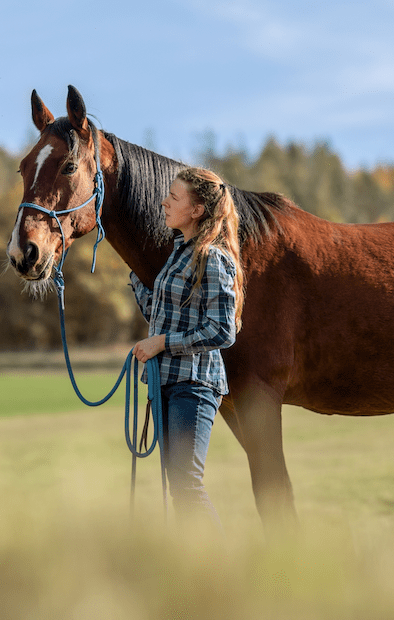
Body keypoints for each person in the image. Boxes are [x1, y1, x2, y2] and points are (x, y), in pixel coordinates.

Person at [129, 167, 244, 530]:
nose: (164, 202)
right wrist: (134, 273)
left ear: (196, 210)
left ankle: (217, 561)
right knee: (179, 487)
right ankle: (194, 559)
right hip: (167, 383)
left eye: (174, 197)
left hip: (193, 386)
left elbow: (222, 330)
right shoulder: (179, 254)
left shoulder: (213, 258)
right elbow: (161, 313)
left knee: (187, 485)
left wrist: (162, 342)